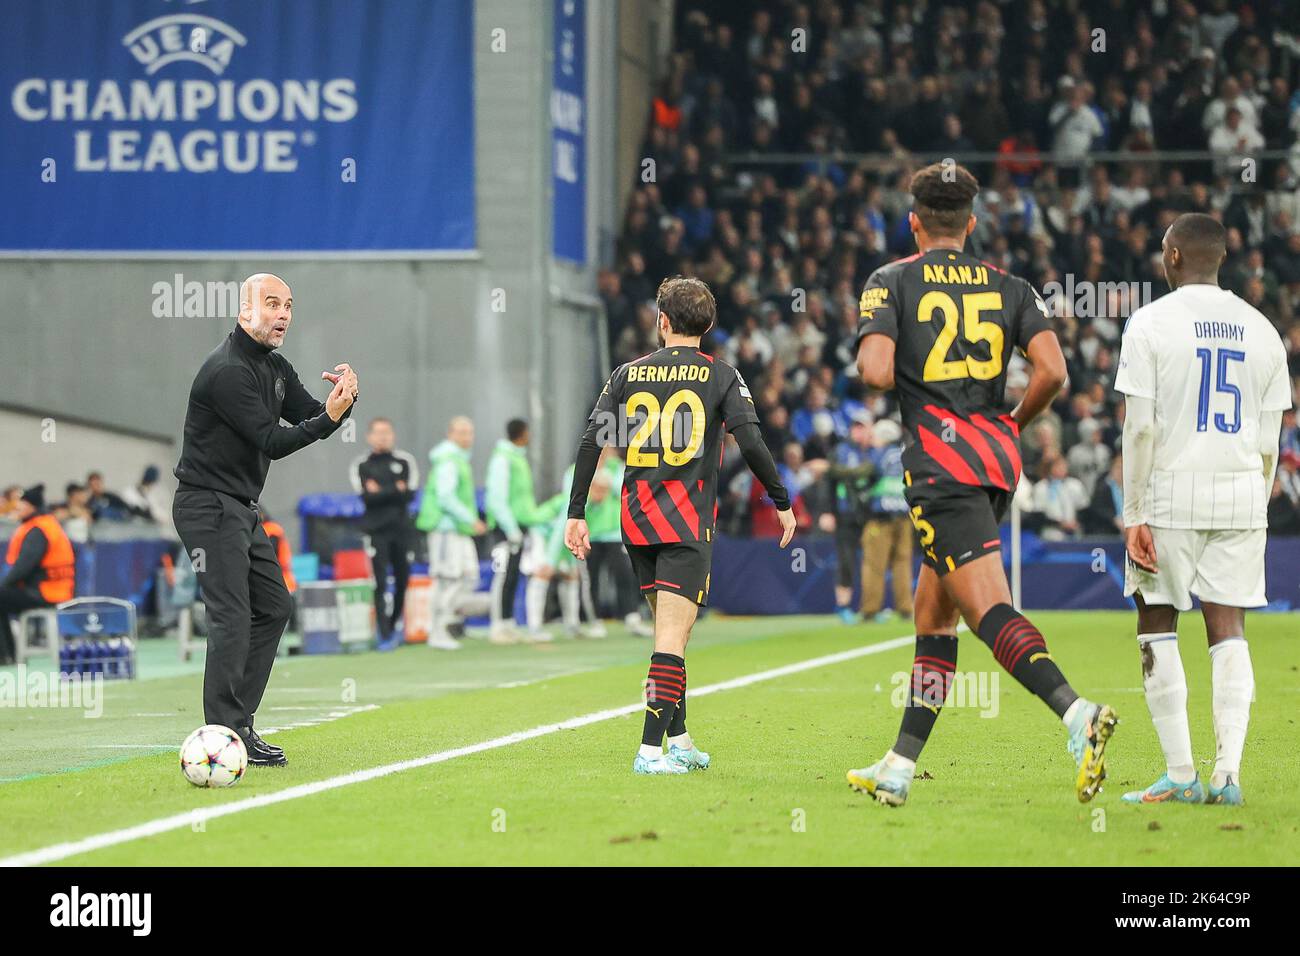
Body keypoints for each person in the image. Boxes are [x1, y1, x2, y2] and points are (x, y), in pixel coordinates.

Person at [849, 162, 1117, 807]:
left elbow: (876, 373)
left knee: (987, 610)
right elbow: (1052, 371)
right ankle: (898, 766)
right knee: (933, 615)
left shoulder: (891, 280)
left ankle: (1076, 712)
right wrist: (1010, 422)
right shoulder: (1010, 286)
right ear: (971, 224)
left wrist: (900, 350)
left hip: (940, 468)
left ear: (913, 222)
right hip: (993, 462)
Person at [564, 276, 796, 775]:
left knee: (670, 635)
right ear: (708, 325)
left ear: (662, 321)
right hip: (685, 522)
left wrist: (576, 511)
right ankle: (650, 753)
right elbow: (751, 442)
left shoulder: (627, 373)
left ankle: (681, 741)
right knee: (672, 637)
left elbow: (592, 441)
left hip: (636, 521)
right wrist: (780, 499)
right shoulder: (721, 375)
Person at [1116, 213, 1291, 806]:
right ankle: (1228, 776)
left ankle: (1181, 774)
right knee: (1229, 628)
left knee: (1156, 621)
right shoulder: (1263, 330)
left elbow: (1140, 429)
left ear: (1172, 257)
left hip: (1170, 495)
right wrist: (1255, 503)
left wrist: (1133, 512)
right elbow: (1269, 442)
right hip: (1242, 495)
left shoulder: (1149, 323)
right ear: (1221, 258)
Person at [172, 272, 356, 767]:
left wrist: (343, 402)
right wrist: (328, 420)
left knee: (274, 606)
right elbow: (273, 440)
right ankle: (224, 732)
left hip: (239, 507)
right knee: (231, 615)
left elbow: (312, 412)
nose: (283, 315)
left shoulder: (274, 366)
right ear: (244, 311)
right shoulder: (227, 371)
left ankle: (239, 723)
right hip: (207, 505)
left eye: (288, 306)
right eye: (272, 304)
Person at [484, 419, 563, 644]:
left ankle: (507, 624)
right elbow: (497, 498)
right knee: (503, 575)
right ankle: (497, 626)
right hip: (506, 528)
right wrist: (510, 528)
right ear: (522, 433)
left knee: (512, 575)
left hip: (518, 526)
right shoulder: (503, 459)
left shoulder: (517, 458)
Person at [415, 416, 485, 650]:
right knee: (446, 580)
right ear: (450, 434)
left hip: (459, 530)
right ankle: (437, 631)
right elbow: (445, 497)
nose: (467, 437)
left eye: (470, 432)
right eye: (462, 432)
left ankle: (451, 622)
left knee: (469, 576)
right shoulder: (447, 460)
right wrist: (470, 519)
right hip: (445, 529)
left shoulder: (460, 459)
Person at [349, 418, 419, 651]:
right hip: (376, 531)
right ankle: (384, 633)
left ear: (393, 435)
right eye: (378, 433)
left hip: (402, 530)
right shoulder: (362, 465)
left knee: (403, 579)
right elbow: (367, 498)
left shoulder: (405, 461)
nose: (383, 437)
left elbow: (409, 495)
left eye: (387, 432)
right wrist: (394, 490)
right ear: (369, 437)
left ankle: (393, 623)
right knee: (379, 582)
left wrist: (381, 491)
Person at [0, 485, 75, 664]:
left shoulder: (37, 530)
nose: (17, 508)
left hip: (44, 592)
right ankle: (8, 653)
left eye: (22, 504)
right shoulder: (48, 524)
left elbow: (22, 568)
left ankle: (6, 655)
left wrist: (4, 584)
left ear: (32, 507)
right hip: (58, 589)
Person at [859, 417, 914, 621]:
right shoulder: (905, 455)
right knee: (902, 563)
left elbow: (864, 478)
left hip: (881, 517)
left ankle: (870, 609)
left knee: (874, 564)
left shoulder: (878, 454)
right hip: (905, 515)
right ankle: (906, 607)